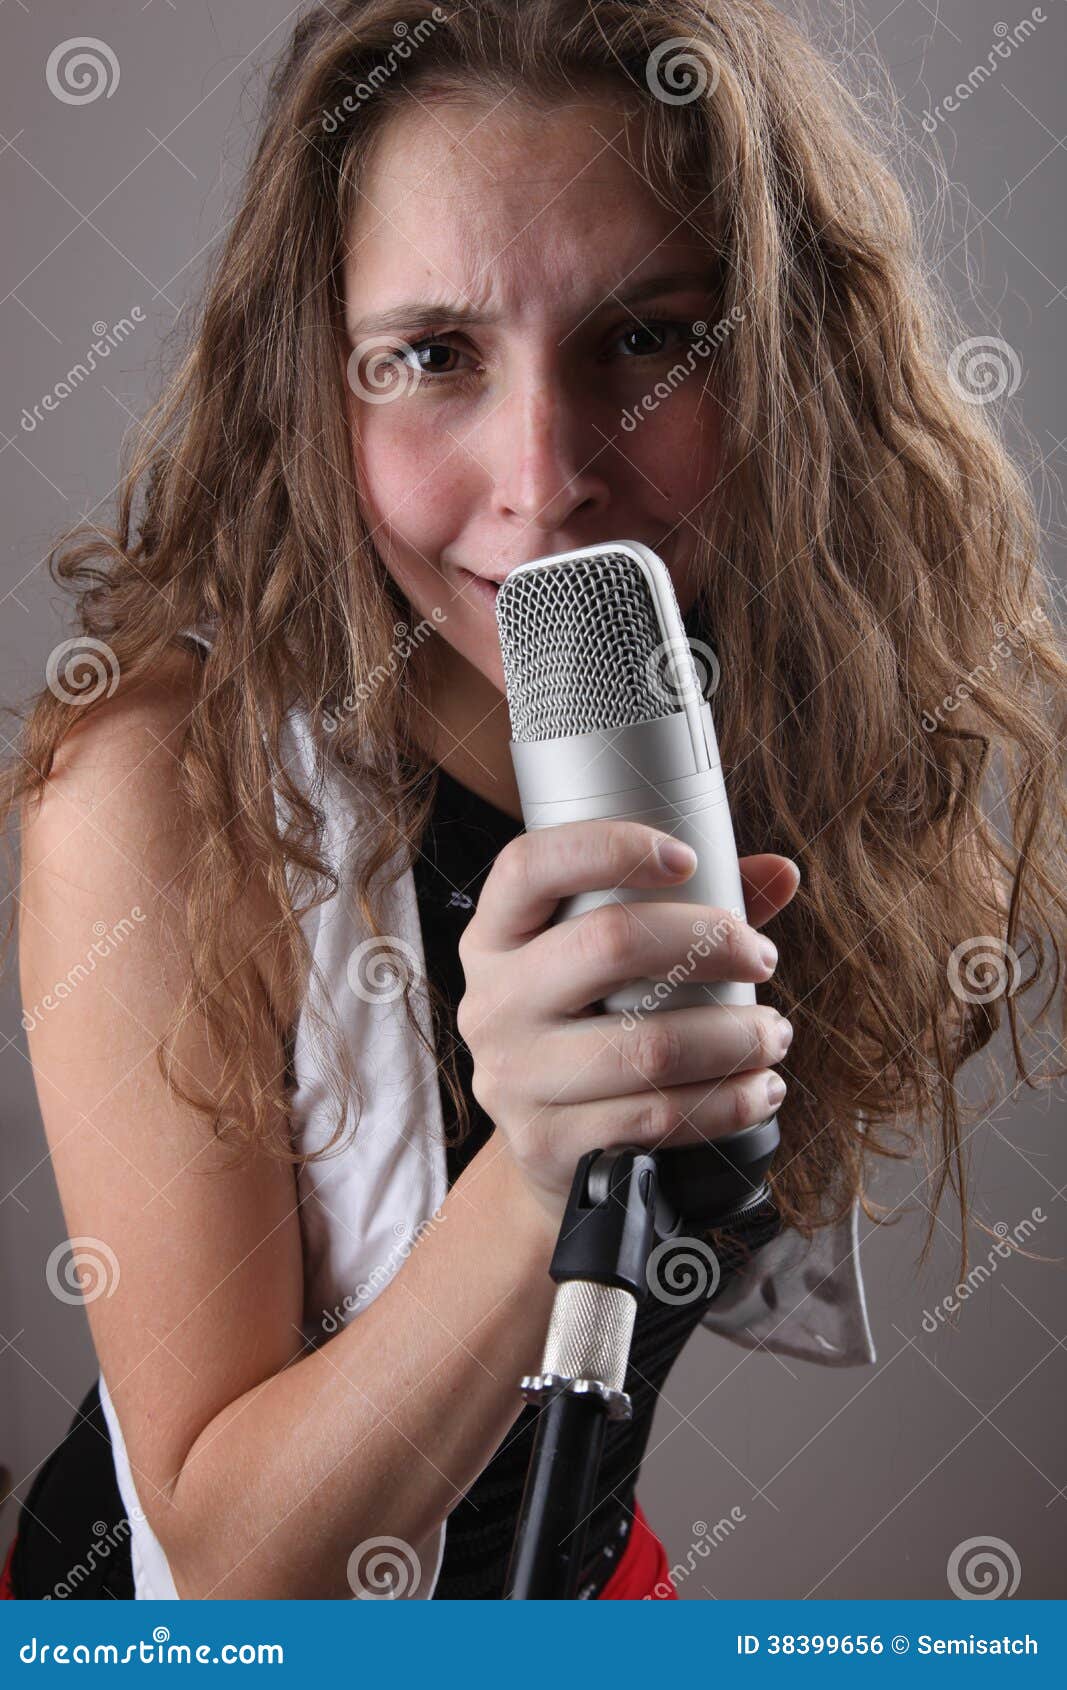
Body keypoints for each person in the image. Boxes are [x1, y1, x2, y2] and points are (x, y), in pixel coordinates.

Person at [1, 0, 1063, 1601]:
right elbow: (228, 1574)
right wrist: (532, 1170)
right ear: (317, 383)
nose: (546, 471)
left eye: (644, 339)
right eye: (431, 356)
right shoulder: (159, 785)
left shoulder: (760, 679)